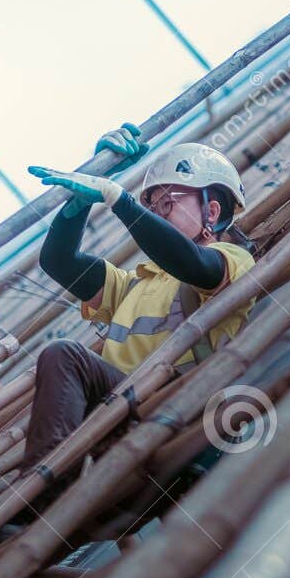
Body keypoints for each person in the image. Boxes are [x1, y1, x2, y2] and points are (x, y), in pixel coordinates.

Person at [19, 132, 255, 482]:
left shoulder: (234, 261)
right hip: (117, 415)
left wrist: (120, 200)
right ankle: (43, 495)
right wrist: (82, 201)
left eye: (168, 204)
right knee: (63, 358)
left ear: (213, 211)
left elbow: (194, 266)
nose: (157, 216)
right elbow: (59, 261)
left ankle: (41, 493)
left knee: (67, 355)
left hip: (173, 408)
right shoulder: (135, 284)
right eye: (152, 208)